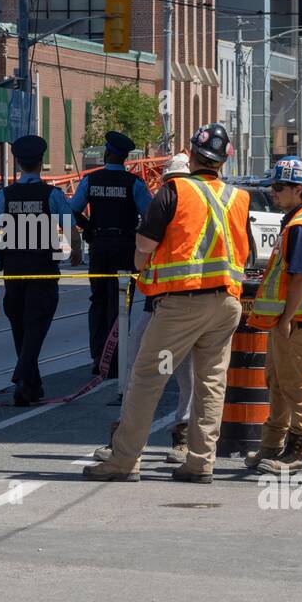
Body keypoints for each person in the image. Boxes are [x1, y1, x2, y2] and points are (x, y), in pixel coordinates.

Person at [83, 124, 250, 484]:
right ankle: (200, 461)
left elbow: (143, 248)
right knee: (211, 383)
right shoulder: (238, 197)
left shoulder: (175, 190)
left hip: (181, 307)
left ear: (191, 155)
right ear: (224, 161)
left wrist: (147, 267)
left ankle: (124, 459)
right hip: (225, 306)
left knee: (148, 377)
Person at [95, 152, 194, 464]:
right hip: (184, 302)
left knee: (147, 369)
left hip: (167, 305)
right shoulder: (194, 205)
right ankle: (182, 437)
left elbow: (143, 250)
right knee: (183, 372)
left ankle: (129, 440)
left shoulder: (165, 201)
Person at [244, 156, 302, 474]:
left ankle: (299, 450)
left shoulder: (301, 226)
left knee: (295, 384)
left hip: (296, 321)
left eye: (279, 187)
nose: (273, 192)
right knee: (278, 382)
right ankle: (272, 447)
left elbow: (301, 278)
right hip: (292, 320)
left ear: (299, 190)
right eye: (273, 186)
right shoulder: (296, 222)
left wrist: (285, 320)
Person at [0, 135, 82, 406]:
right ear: (41, 164)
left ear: (18, 163)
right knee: (37, 323)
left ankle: (31, 384)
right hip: (43, 269)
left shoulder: (3, 195)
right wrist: (76, 251)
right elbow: (70, 226)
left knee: (19, 323)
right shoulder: (51, 195)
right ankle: (22, 377)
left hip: (13, 270)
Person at [70, 131, 152, 378]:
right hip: (125, 247)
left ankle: (98, 358)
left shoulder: (90, 181)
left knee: (97, 302)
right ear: (125, 158)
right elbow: (150, 215)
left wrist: (88, 228)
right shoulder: (134, 183)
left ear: (106, 154)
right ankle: (116, 360)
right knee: (121, 305)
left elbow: (72, 209)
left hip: (99, 246)